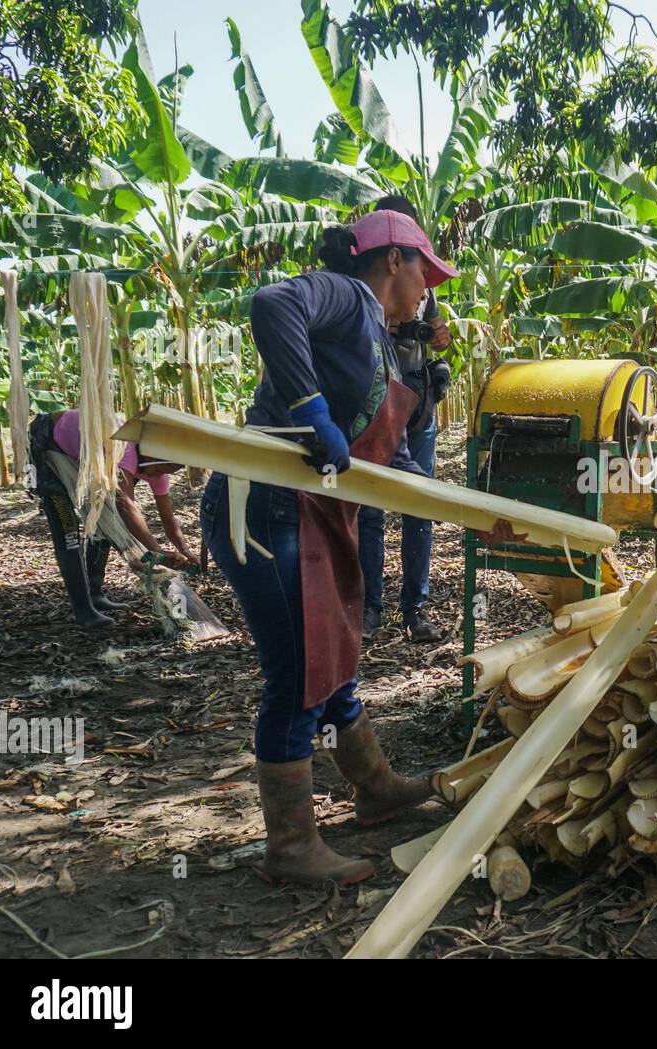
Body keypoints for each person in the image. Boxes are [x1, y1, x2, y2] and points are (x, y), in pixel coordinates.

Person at [199, 209, 459, 886]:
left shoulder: (379, 334)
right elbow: (271, 302)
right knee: (297, 677)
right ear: (392, 261)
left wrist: (463, 511)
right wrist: (311, 409)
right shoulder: (346, 294)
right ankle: (289, 846)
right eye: (424, 273)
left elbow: (396, 461)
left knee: (334, 656)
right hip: (267, 504)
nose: (428, 290)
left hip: (313, 510)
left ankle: (373, 787)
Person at [357, 195, 454, 643]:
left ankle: (414, 608)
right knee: (371, 509)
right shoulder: (364, 293)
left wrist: (437, 335)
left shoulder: (425, 286)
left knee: (420, 509)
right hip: (381, 407)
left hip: (419, 407)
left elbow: (442, 343)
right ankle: (369, 607)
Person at [28, 406, 193, 628]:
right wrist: (157, 551)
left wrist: (184, 550)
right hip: (46, 444)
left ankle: (94, 593)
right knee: (68, 532)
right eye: (160, 469)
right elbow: (125, 505)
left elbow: (168, 517)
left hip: (80, 456)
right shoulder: (123, 451)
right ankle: (83, 610)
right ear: (153, 454)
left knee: (104, 523)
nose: (158, 477)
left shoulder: (157, 468)